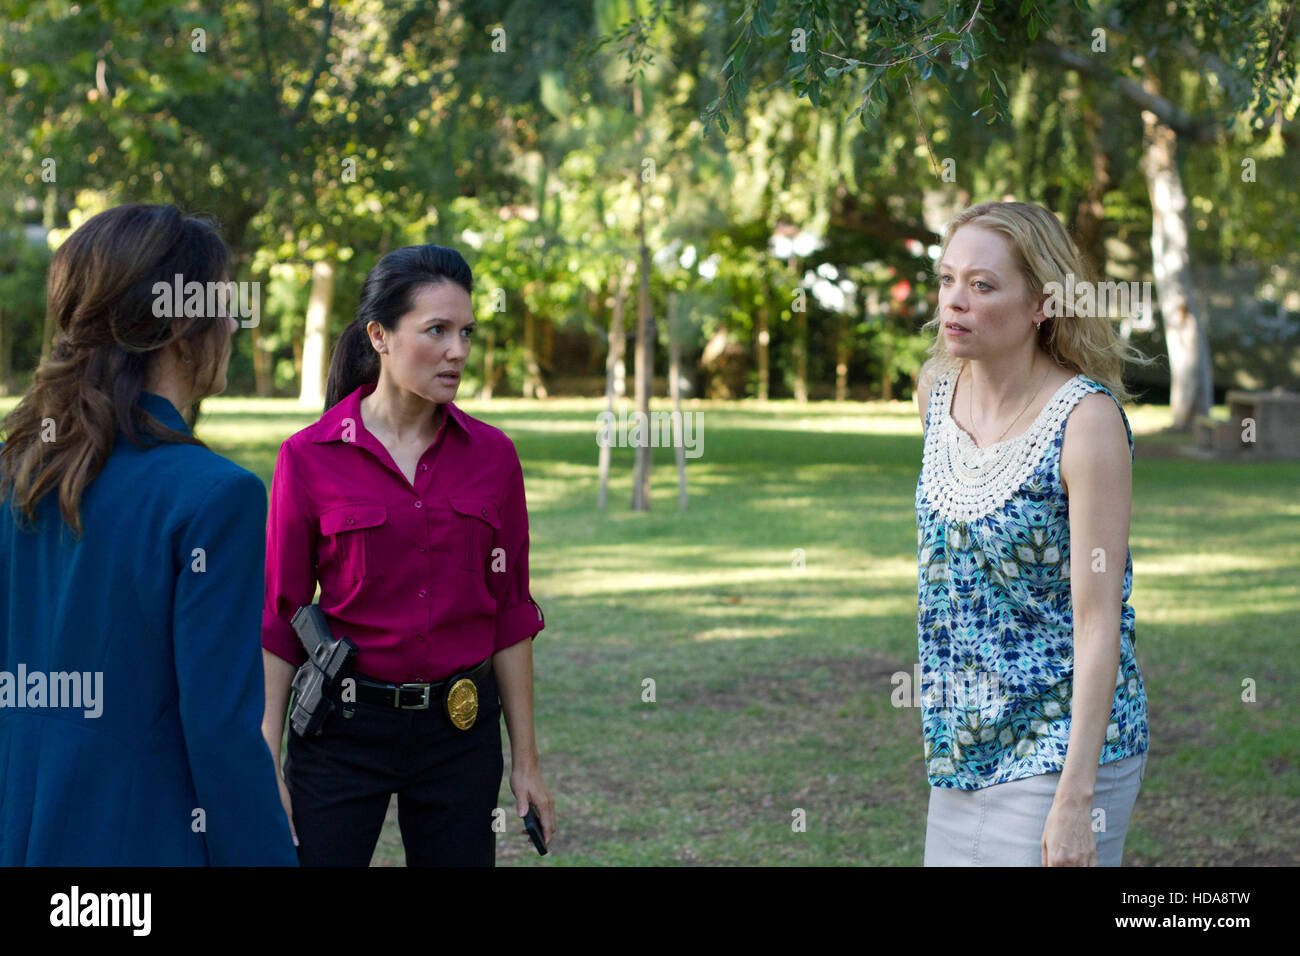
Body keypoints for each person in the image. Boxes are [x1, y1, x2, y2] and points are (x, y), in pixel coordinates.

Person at [0, 203, 297, 865]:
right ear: (183, 328)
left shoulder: (15, 474)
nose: (234, 324)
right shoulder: (217, 496)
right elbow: (222, 735)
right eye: (226, 306)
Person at [261, 244, 555, 866]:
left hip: (460, 731)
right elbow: (281, 615)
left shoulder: (494, 458)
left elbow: (510, 614)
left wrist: (525, 761)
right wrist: (267, 753)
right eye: (437, 331)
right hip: (342, 732)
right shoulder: (308, 456)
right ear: (381, 336)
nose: (459, 352)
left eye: (466, 332)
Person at [913, 201, 1156, 866]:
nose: (954, 302)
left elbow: (1099, 621)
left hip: (1061, 750)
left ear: (1042, 303)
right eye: (945, 280)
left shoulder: (1087, 423)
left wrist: (1076, 801)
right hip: (960, 748)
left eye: (983, 285)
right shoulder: (936, 391)